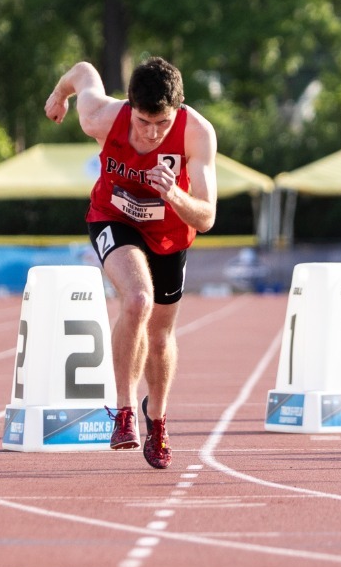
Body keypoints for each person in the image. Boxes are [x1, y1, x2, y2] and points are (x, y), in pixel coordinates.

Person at [44, 59, 219, 470]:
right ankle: (123, 411)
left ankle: (156, 418)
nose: (152, 133)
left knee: (160, 338)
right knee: (138, 299)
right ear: (130, 108)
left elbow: (207, 217)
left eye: (161, 123)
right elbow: (84, 73)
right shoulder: (102, 118)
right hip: (114, 217)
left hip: (170, 235)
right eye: (143, 121)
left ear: (178, 109)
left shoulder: (196, 133)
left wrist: (174, 195)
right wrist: (57, 96)